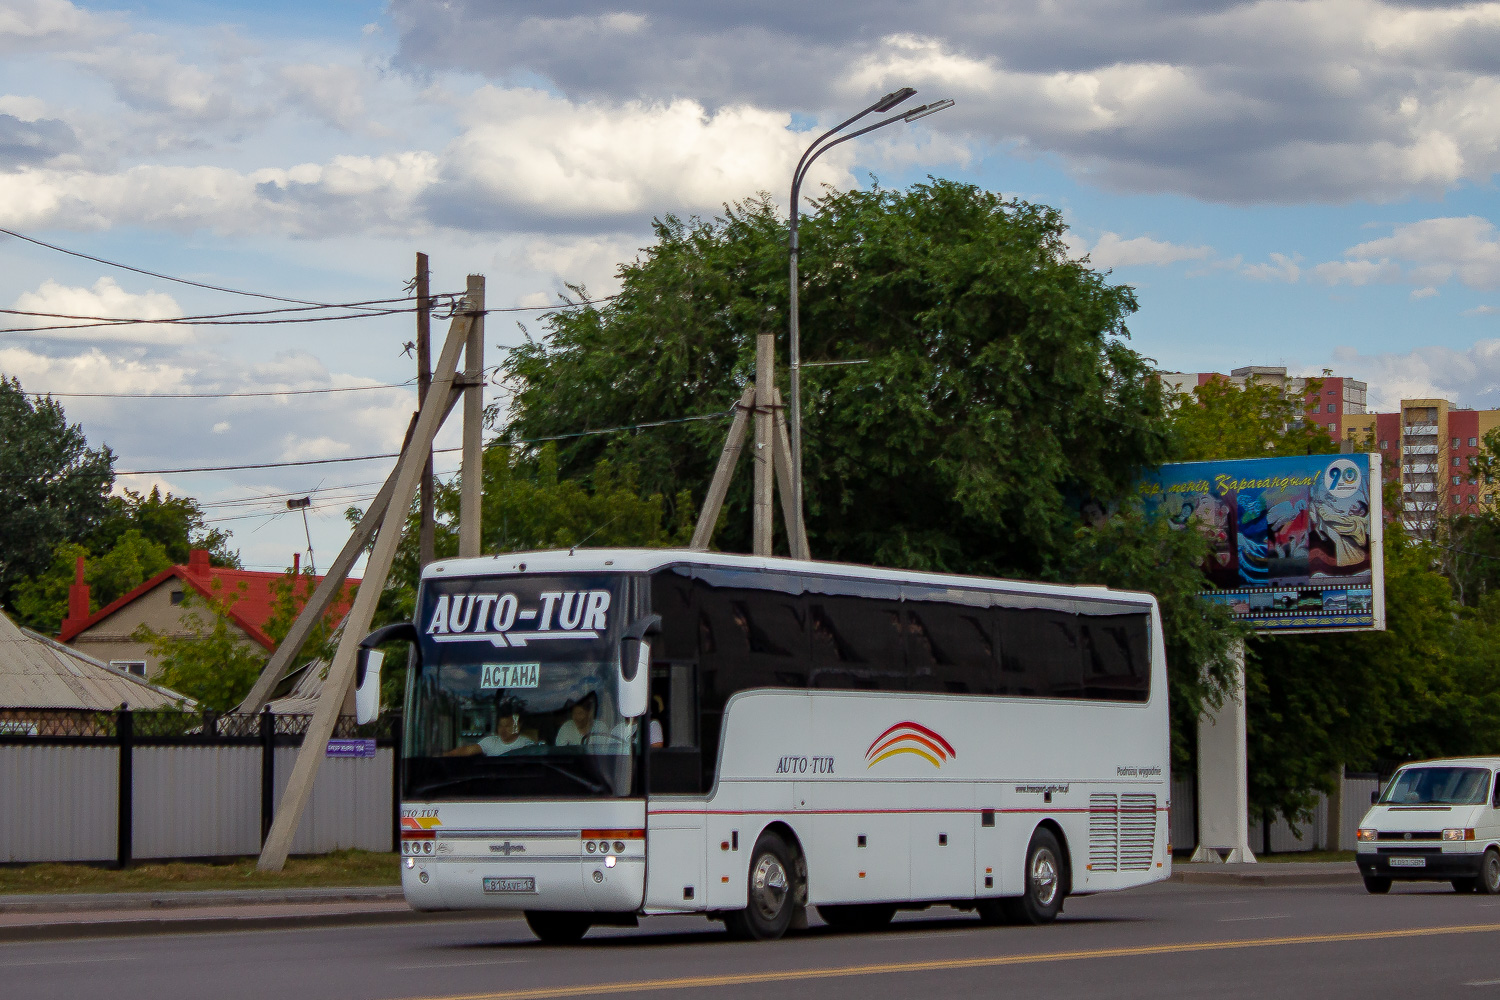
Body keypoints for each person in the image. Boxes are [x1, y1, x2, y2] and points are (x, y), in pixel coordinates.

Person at [447, 699, 533, 756]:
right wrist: (446, 755)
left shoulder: (526, 744)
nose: (503, 730)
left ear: (518, 725)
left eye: (507, 726)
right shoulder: (490, 742)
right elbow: (467, 750)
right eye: (500, 725)